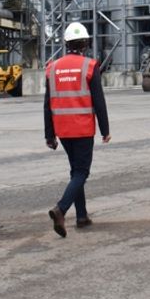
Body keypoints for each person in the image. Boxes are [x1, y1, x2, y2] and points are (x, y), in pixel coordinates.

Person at [45, 22, 111, 237]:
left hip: (62, 130)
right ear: (85, 44)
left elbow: (47, 103)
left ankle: (82, 216)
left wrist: (49, 134)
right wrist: (105, 129)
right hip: (82, 128)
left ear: (66, 43)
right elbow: (99, 102)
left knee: (76, 172)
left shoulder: (52, 67)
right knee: (82, 172)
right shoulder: (90, 66)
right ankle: (61, 209)